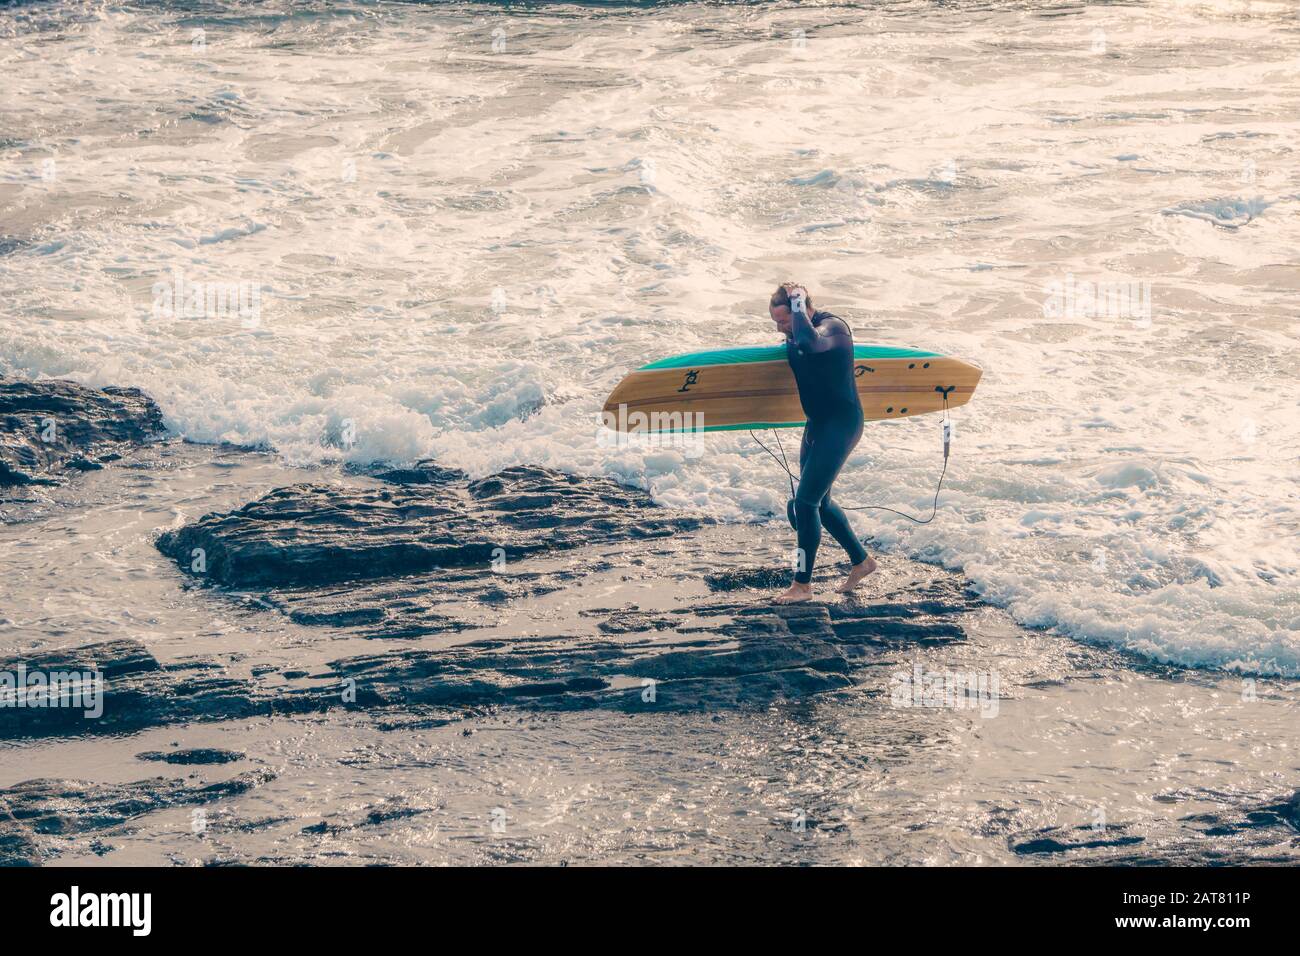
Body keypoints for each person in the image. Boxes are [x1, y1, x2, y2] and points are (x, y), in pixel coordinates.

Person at [768, 283, 877, 603]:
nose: (781, 329)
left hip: (842, 425)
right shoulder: (795, 333)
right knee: (818, 504)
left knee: (804, 504)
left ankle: (802, 585)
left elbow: (808, 343)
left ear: (802, 309)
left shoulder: (834, 329)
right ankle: (862, 561)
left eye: (784, 321)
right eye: (775, 323)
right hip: (816, 425)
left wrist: (798, 304)